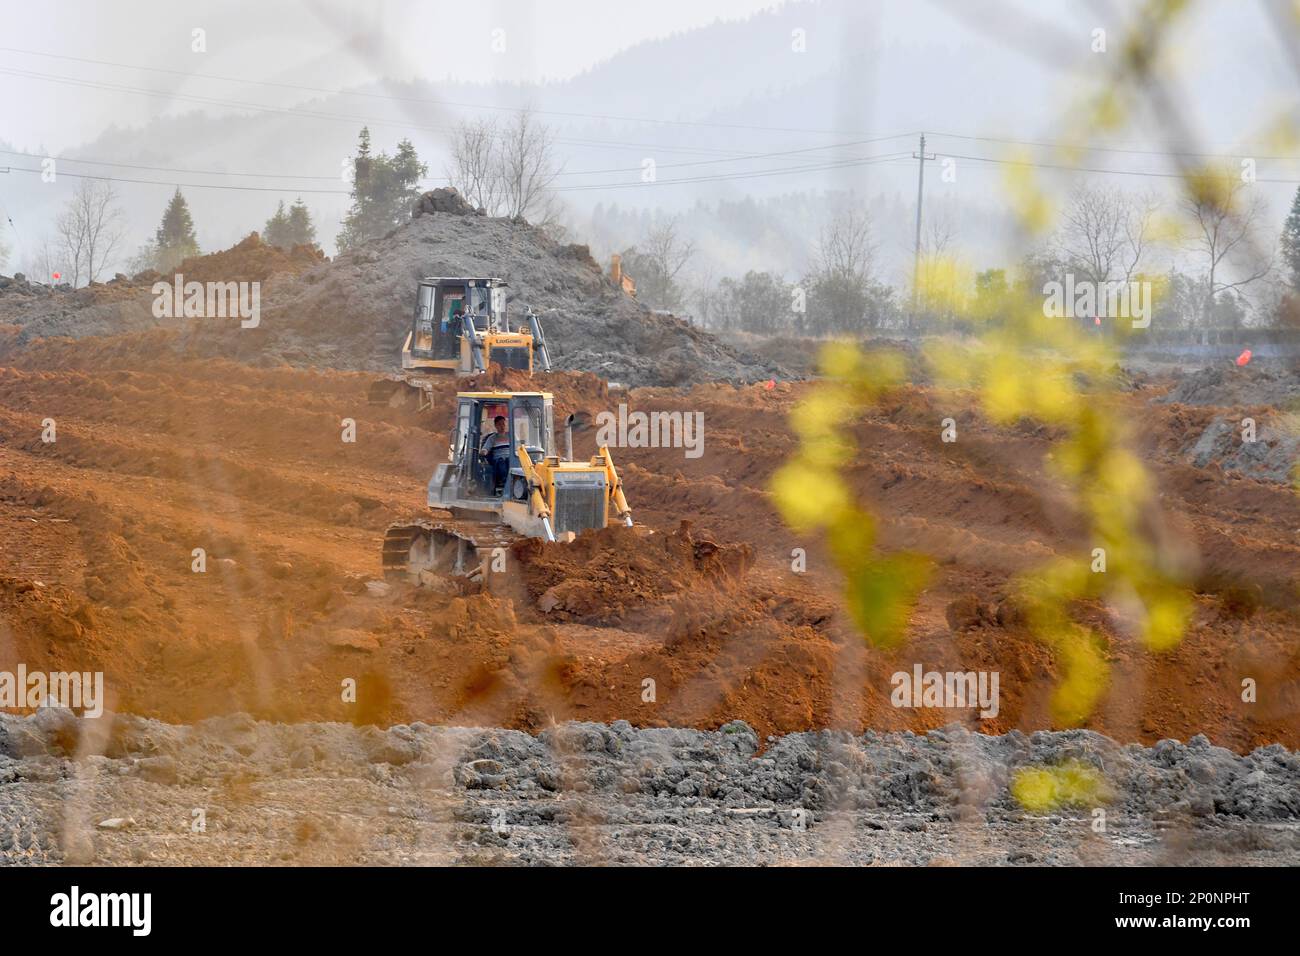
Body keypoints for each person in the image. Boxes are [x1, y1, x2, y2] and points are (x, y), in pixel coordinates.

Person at [480, 415, 511, 494]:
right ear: (496, 426)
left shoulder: (511, 436)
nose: (502, 426)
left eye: (503, 424)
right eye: (499, 424)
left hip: (510, 459)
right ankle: (504, 483)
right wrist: (484, 451)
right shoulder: (492, 438)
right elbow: (486, 449)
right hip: (498, 460)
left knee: (509, 460)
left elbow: (518, 448)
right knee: (502, 461)